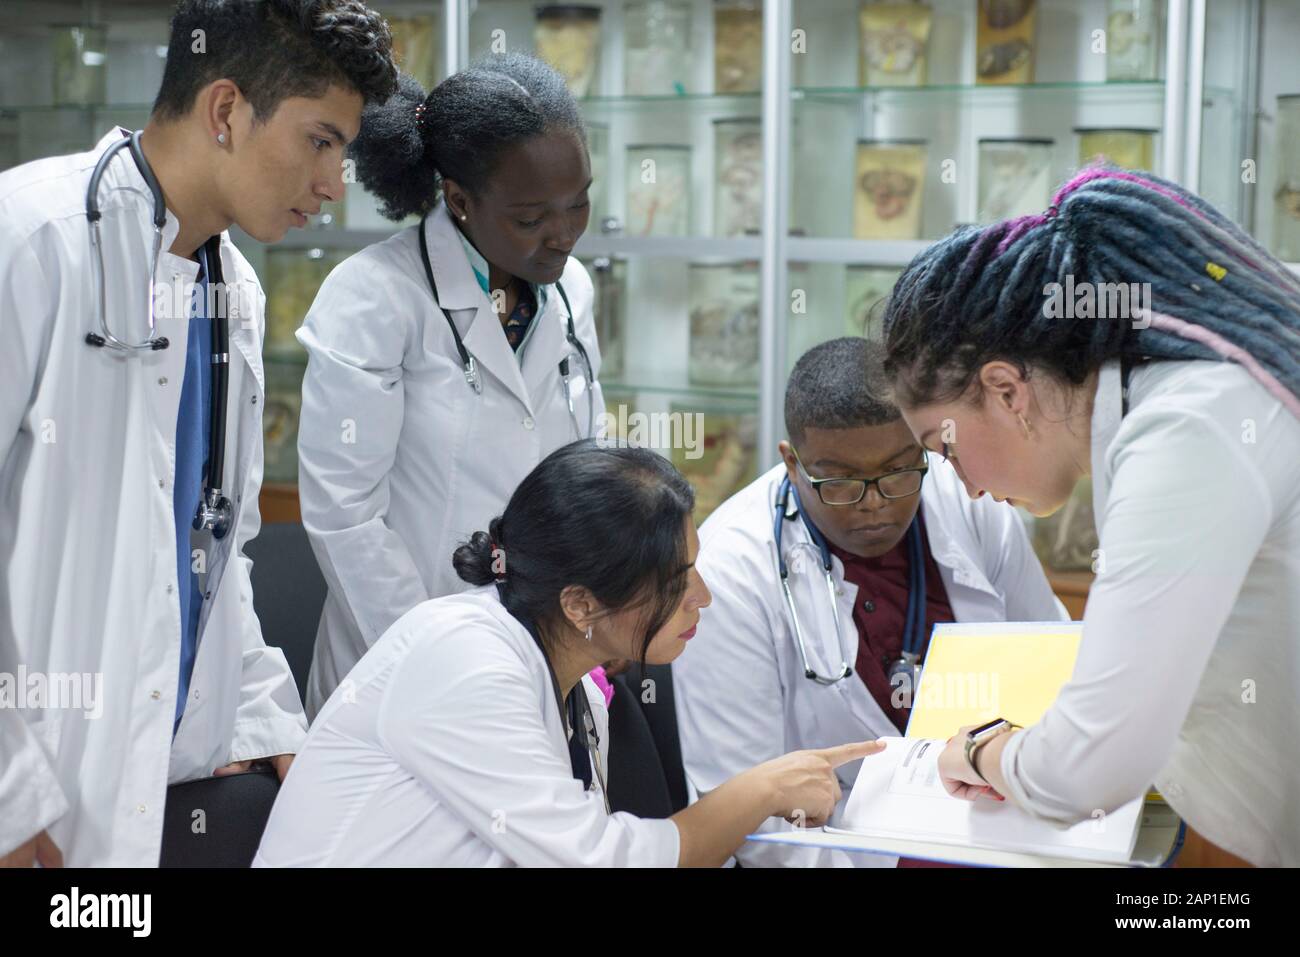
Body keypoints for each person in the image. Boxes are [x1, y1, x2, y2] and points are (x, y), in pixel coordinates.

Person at [0, 0, 397, 867]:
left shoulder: (235, 294)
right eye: (320, 141)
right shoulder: (30, 241)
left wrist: (267, 716)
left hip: (170, 784)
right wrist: (6, 795)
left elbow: (215, 543)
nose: (334, 183)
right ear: (225, 110)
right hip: (37, 782)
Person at [881, 167, 1300, 867]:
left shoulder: (1186, 429)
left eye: (943, 447)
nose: (968, 489)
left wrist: (981, 749)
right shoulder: (1178, 401)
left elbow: (1090, 767)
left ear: (1006, 389)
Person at [254, 441, 883, 867]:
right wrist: (762, 790)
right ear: (581, 604)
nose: (704, 598)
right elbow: (600, 860)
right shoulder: (465, 660)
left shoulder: (574, 683)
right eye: (675, 581)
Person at [674, 337, 1066, 867]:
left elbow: (1051, 662)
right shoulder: (733, 571)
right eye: (841, 482)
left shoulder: (972, 504)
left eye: (899, 473)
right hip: (845, 850)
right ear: (793, 463)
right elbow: (752, 815)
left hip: (996, 826)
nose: (876, 504)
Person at [295, 53, 605, 718]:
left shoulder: (571, 291)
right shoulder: (376, 297)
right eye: (531, 217)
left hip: (545, 656)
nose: (564, 236)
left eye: (578, 203)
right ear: (460, 200)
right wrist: (441, 660)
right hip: (401, 666)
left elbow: (583, 478)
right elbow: (345, 516)